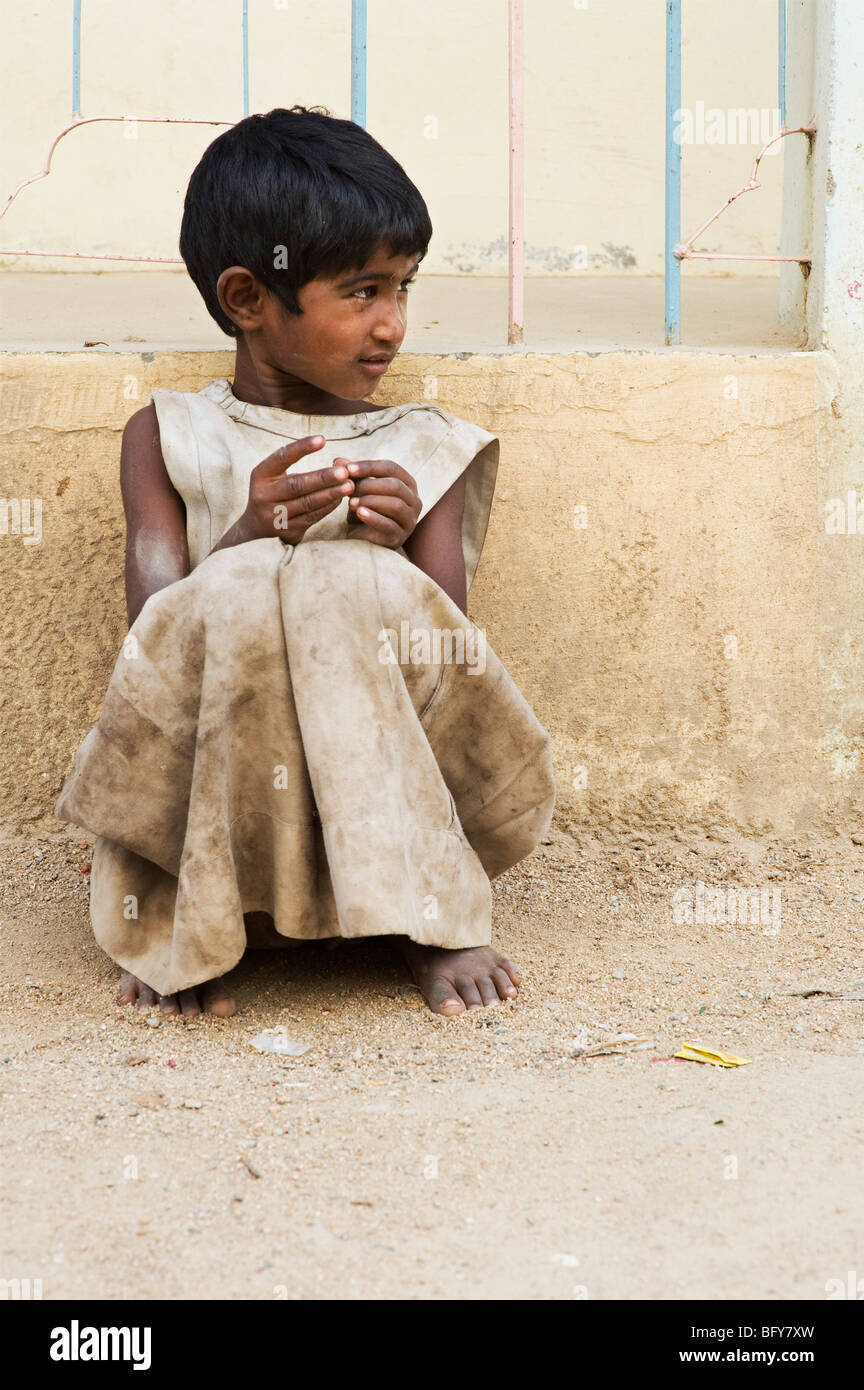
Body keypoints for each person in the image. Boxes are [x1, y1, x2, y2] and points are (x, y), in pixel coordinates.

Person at [55, 105, 555, 1019]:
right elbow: (152, 636)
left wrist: (389, 553)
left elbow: (449, 655)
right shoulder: (169, 437)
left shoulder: (426, 448)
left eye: (403, 288)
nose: (394, 324)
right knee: (247, 581)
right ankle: (200, 913)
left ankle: (426, 915)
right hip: (222, 770)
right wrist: (246, 535)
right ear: (249, 299)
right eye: (363, 292)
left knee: (343, 580)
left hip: (390, 784)